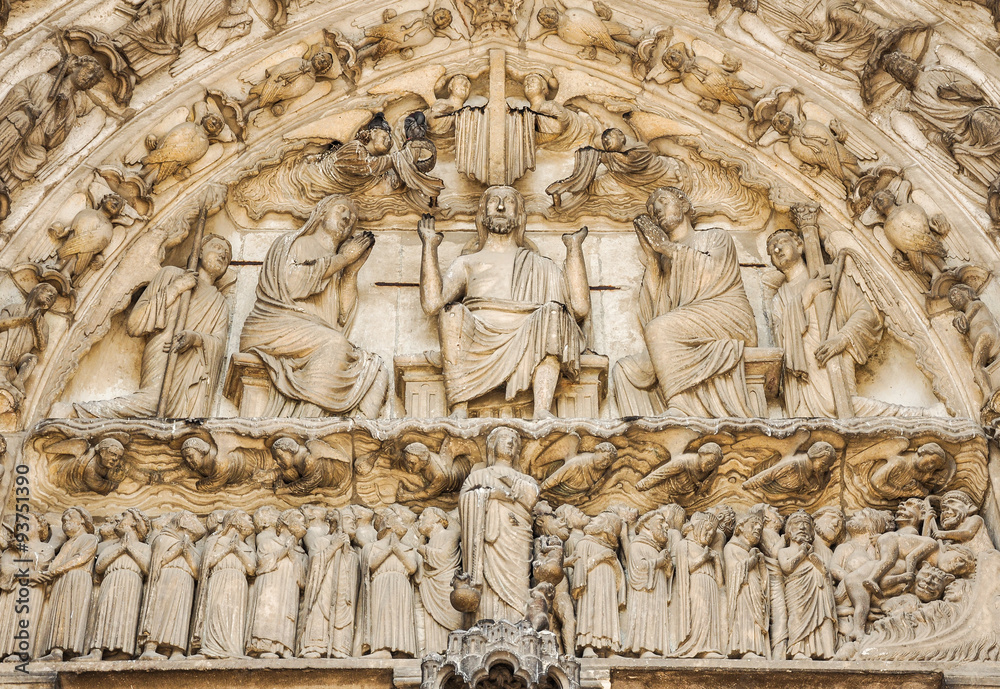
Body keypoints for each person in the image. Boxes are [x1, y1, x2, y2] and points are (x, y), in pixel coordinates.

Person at [418, 185, 591, 418]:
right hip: (477, 335)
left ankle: (542, 408)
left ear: (520, 216)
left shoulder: (540, 265)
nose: (500, 206)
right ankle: (459, 406)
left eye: (509, 202)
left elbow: (579, 308)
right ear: (482, 214)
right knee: (451, 313)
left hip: (529, 332)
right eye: (494, 201)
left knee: (553, 312)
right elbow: (432, 304)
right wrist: (429, 246)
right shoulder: (468, 263)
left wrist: (574, 250)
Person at [612, 187, 758, 417]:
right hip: (687, 326)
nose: (657, 210)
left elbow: (714, 272)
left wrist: (666, 248)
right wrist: (652, 260)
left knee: (660, 330)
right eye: (652, 210)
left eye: (663, 201)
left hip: (727, 314)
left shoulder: (715, 237)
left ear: (684, 204)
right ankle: (643, 435)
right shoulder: (665, 260)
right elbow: (655, 312)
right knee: (626, 370)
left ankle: (679, 407)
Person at [240, 195, 388, 418]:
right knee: (336, 344)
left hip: (311, 335)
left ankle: (360, 430)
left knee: (376, 368)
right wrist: (342, 260)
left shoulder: (338, 263)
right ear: (321, 213)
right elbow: (293, 284)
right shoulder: (293, 243)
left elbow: (343, 315)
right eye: (341, 211)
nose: (348, 218)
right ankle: (309, 420)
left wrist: (350, 272)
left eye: (354, 218)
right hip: (274, 326)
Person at [766, 229, 929, 418]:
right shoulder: (779, 299)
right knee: (818, 413)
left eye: (782, 242)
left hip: (836, 355)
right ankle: (914, 416)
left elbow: (865, 313)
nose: (777, 249)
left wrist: (841, 339)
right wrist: (806, 296)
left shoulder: (830, 275)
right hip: (802, 372)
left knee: (838, 405)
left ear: (799, 245)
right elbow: (781, 340)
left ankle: (914, 416)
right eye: (771, 249)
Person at [74, 234, 232, 418]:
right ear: (200, 251)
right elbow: (135, 323)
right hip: (164, 350)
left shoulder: (220, 303)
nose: (223, 255)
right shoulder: (171, 275)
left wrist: (195, 338)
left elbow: (219, 342)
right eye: (217, 248)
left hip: (192, 368)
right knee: (155, 401)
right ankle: (81, 412)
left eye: (227, 256)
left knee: (180, 417)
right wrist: (176, 289)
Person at [458, 427, 540, 622]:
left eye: (514, 440)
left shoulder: (525, 479)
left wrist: (512, 482)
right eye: (504, 438)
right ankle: (485, 624)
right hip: (489, 540)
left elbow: (532, 499)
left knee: (518, 581)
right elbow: (464, 503)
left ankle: (519, 624)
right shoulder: (478, 477)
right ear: (492, 446)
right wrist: (489, 495)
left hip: (517, 537)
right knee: (487, 582)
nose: (510, 442)